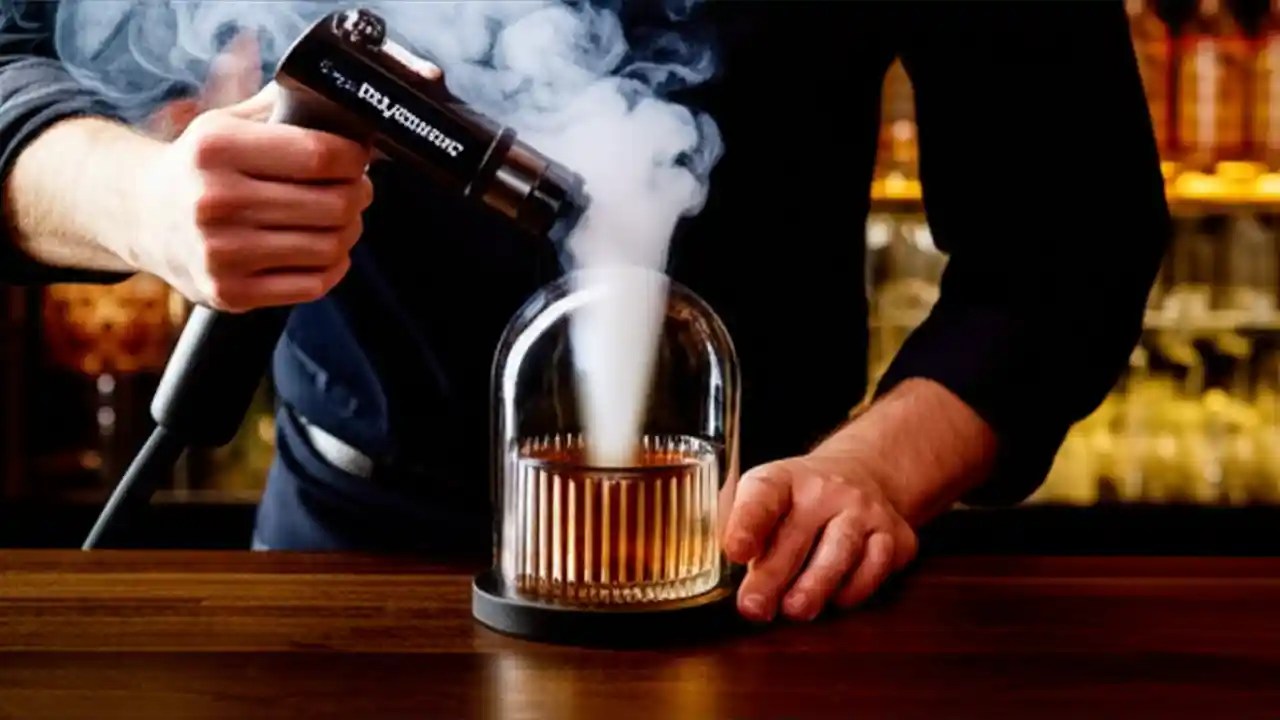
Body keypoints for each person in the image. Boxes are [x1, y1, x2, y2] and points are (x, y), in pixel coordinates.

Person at [0, 1, 1169, 624]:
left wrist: (870, 474)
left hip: (758, 559)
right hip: (348, 557)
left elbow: (1068, 239)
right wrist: (139, 197)